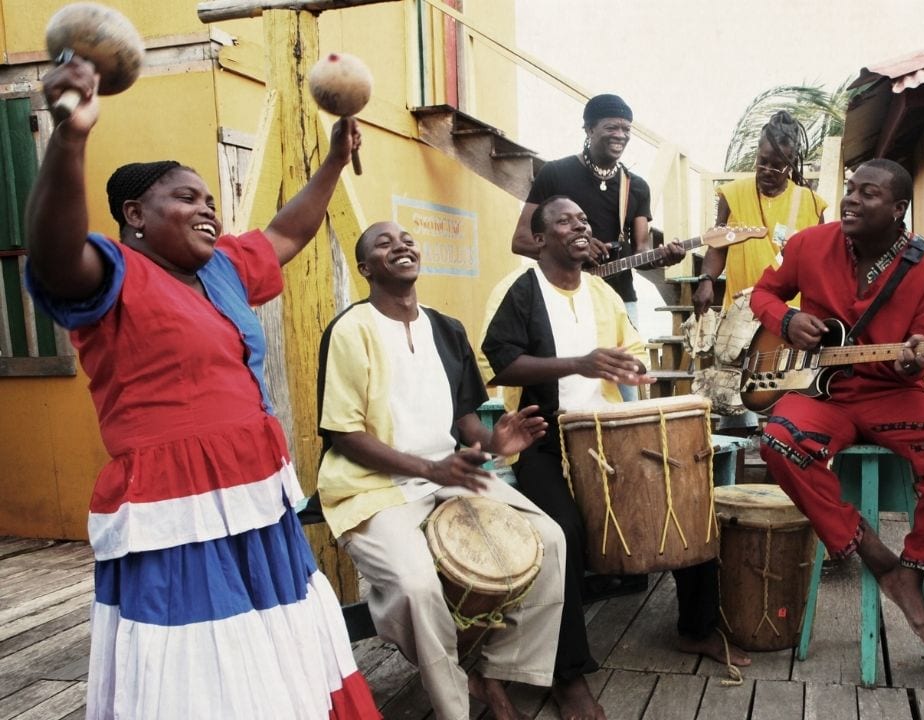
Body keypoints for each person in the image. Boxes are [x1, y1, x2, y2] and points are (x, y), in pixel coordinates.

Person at [24, 58, 378, 718]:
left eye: (210, 199)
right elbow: (50, 253)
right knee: (201, 669)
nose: (206, 208)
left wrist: (332, 161)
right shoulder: (111, 271)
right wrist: (70, 137)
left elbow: (287, 231)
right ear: (135, 214)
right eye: (185, 198)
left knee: (275, 644)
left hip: (255, 494)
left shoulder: (222, 270)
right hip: (173, 512)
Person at [484, 196, 748, 720]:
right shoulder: (520, 290)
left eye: (582, 219)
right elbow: (504, 362)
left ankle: (695, 629)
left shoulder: (602, 291)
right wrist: (578, 363)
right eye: (565, 220)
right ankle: (568, 676)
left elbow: (629, 346)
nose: (579, 225)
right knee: (561, 538)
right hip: (546, 438)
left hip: (608, 433)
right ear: (539, 239)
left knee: (688, 505)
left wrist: (629, 368)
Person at [315, 221, 565, 720]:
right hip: (372, 488)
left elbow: (467, 424)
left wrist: (493, 446)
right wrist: (432, 467)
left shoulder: (447, 329)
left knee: (551, 542)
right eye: (383, 243)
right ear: (366, 268)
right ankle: (454, 705)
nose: (400, 244)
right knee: (416, 587)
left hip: (449, 475)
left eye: (406, 238)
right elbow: (344, 433)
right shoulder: (350, 329)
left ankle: (492, 673)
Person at [750, 159, 924, 649]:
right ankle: (879, 557)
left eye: (868, 193)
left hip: (891, 395)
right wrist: (788, 319)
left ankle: (914, 569)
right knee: (777, 441)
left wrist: (912, 362)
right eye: (850, 189)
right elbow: (762, 293)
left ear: (899, 208)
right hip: (821, 393)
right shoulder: (809, 243)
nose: (851, 199)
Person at [510, 94, 685, 402]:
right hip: (563, 300)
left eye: (626, 129)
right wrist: (570, 248)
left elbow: (641, 252)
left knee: (626, 394)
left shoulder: (636, 186)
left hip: (618, 303)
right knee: (567, 390)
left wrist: (663, 257)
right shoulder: (555, 174)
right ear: (589, 128)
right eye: (612, 127)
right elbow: (521, 239)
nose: (621, 135)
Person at [692, 109, 827, 316]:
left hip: (788, 318)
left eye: (777, 166)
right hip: (738, 314)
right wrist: (706, 280)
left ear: (791, 162)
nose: (766, 170)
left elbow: (819, 265)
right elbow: (719, 246)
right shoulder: (732, 194)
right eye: (762, 161)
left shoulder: (812, 204)